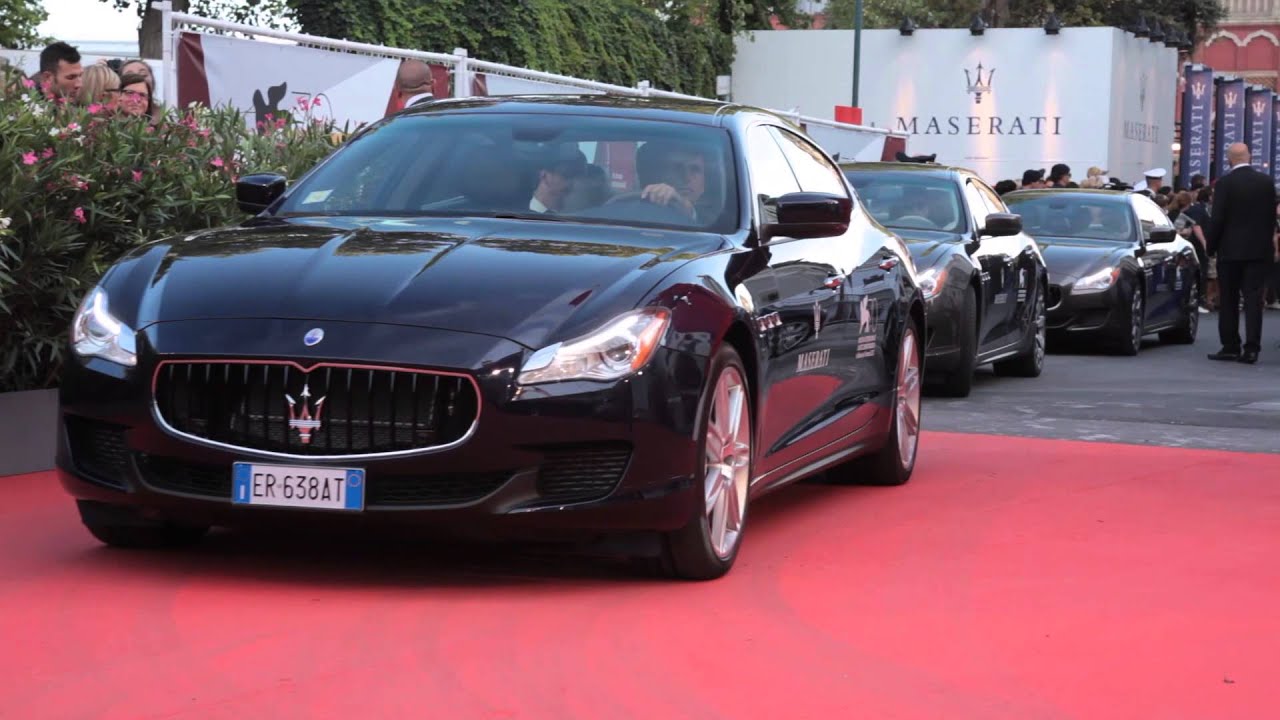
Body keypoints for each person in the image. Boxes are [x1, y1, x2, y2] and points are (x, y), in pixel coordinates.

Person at [1204, 143, 1279, 364]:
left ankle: (1230, 346)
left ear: (1229, 159)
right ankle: (1252, 348)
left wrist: (1211, 247)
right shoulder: (1266, 183)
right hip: (1258, 251)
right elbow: (1270, 218)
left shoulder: (1225, 184)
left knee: (1228, 299)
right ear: (1250, 157)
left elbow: (1217, 219)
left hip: (1230, 251)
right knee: (1253, 300)